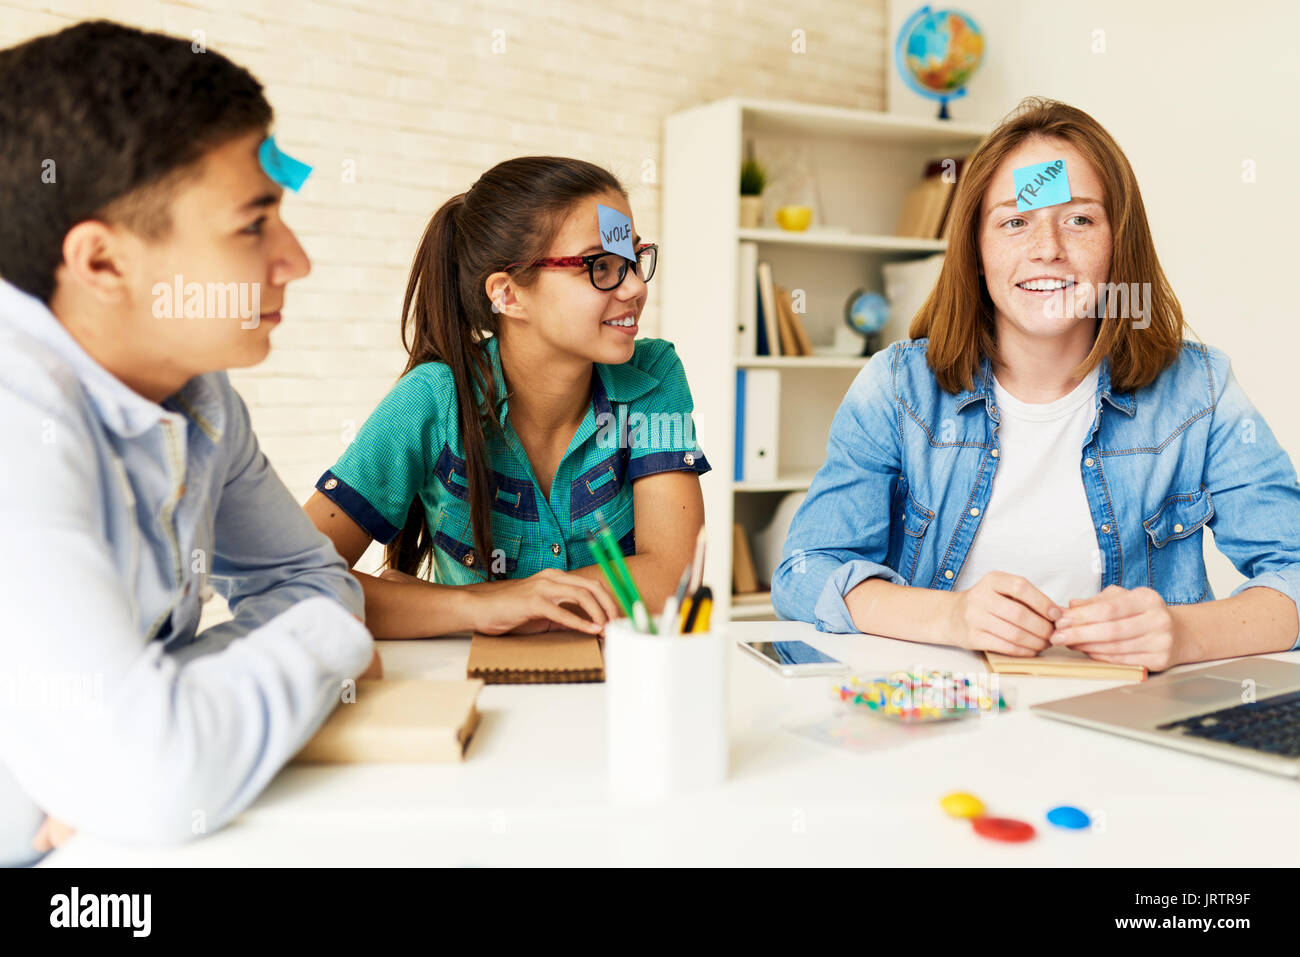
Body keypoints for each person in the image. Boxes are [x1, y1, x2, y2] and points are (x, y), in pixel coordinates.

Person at [0, 21, 379, 866]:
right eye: (254, 225)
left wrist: (161, 717)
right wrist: (328, 648)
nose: (298, 260)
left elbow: (311, 578)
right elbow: (154, 779)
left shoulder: (198, 391)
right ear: (102, 263)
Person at [772, 97, 1300, 673]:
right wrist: (949, 616)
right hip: (933, 721)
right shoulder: (896, 388)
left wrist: (1182, 633)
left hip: (1124, 724)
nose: (1046, 248)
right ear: (976, 249)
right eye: (1015, 222)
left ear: (1118, 242)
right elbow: (805, 569)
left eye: (1078, 219)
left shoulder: (1200, 390)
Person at [305, 157, 709, 638]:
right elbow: (299, 584)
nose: (637, 287)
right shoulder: (433, 399)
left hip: (616, 692)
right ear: (508, 295)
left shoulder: (654, 377)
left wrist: (456, 600)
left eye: (634, 260)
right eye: (600, 266)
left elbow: (672, 580)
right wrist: (479, 609)